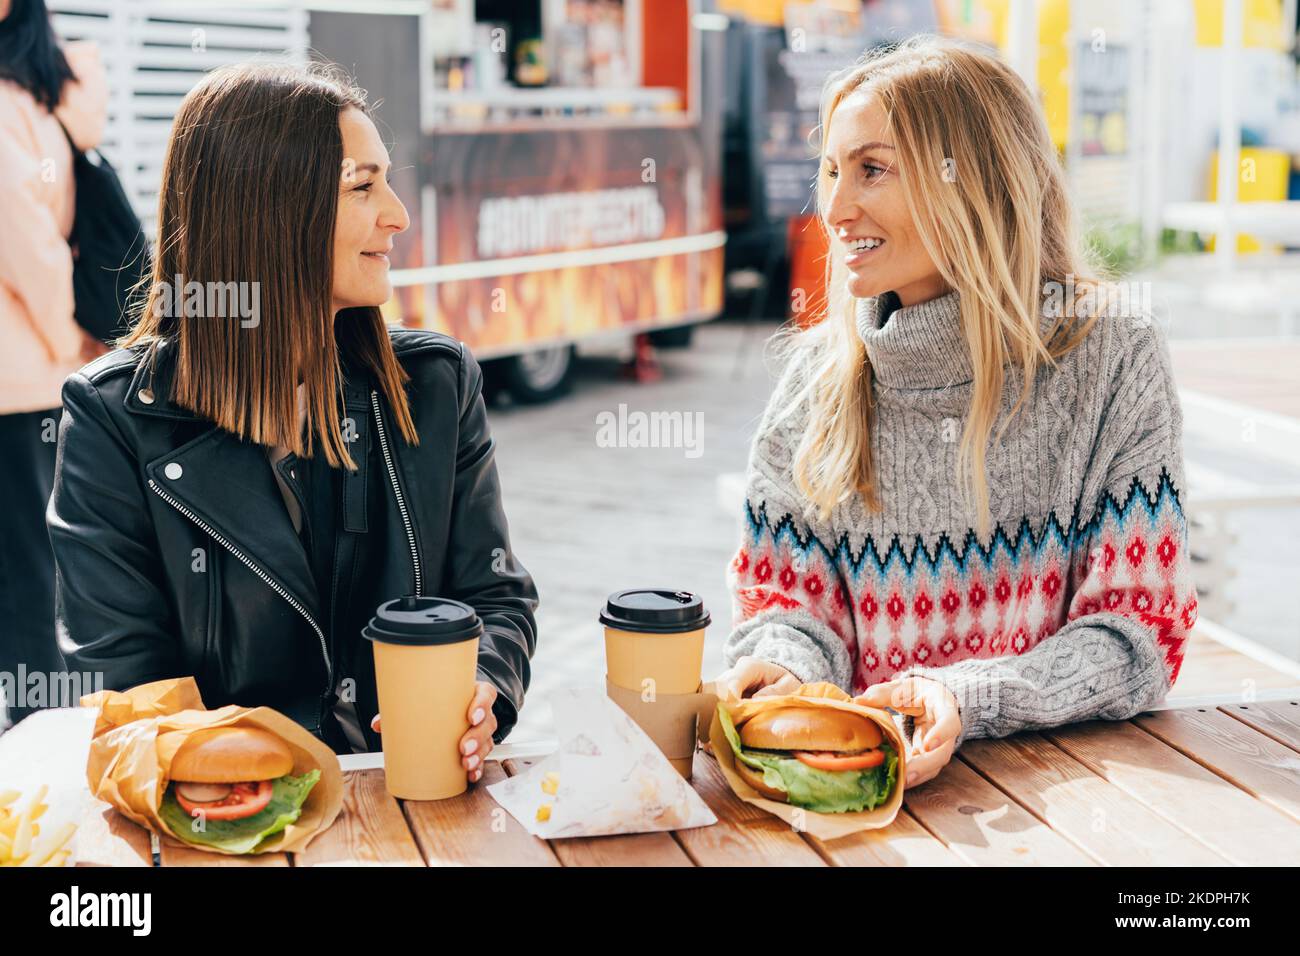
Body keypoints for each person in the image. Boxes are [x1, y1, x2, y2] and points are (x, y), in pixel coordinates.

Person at [713, 36, 1197, 791]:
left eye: (872, 169)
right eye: (832, 171)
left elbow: (1139, 635)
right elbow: (788, 605)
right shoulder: (815, 380)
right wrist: (780, 668)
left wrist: (965, 697)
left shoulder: (1113, 356)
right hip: (870, 806)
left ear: (975, 181)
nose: (834, 209)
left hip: (1074, 799)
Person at [47, 62, 538, 780]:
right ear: (268, 211)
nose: (397, 214)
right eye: (363, 186)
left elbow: (493, 592)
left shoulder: (435, 384)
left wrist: (487, 683)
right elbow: (127, 695)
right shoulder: (115, 418)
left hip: (417, 800)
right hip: (228, 824)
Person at [0, 0, 107, 726]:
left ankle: (44, 733)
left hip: (20, 371)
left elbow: (26, 243)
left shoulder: (7, 103)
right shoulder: (43, 94)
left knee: (27, 570)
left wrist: (67, 338)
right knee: (38, 559)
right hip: (35, 371)